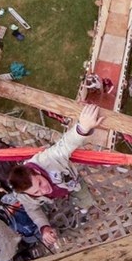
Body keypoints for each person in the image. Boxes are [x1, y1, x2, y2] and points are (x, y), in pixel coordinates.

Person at [6, 104, 103, 249]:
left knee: (85, 198)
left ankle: (83, 210)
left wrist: (82, 127)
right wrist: (44, 227)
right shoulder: (24, 195)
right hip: (60, 190)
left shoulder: (48, 160)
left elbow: (64, 145)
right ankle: (78, 207)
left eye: (39, 184)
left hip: (72, 182)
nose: (43, 191)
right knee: (66, 196)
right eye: (36, 193)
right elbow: (33, 209)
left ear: (37, 172)